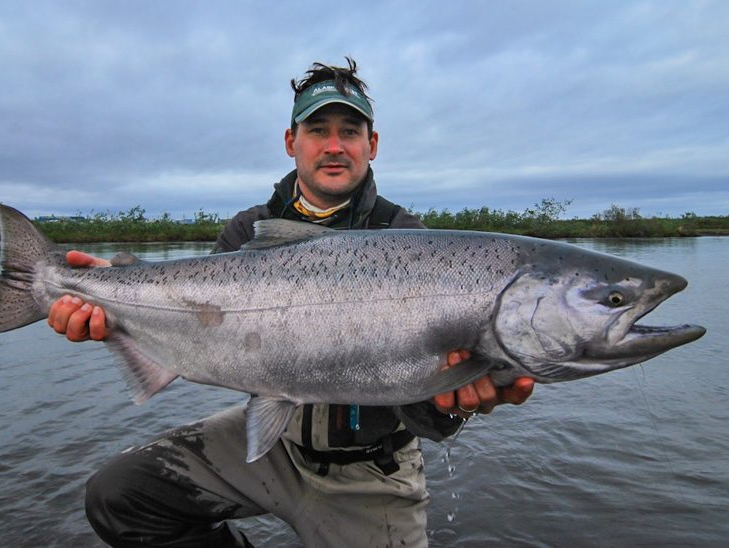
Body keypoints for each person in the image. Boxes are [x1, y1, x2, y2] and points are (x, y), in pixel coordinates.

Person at [48, 58, 535, 547]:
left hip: (372, 469)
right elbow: (195, 324)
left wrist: (457, 403)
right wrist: (111, 303)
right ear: (291, 142)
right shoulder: (248, 230)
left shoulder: (408, 240)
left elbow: (429, 416)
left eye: (350, 131)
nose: (334, 146)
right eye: (317, 129)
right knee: (119, 496)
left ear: (372, 145)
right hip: (270, 443)